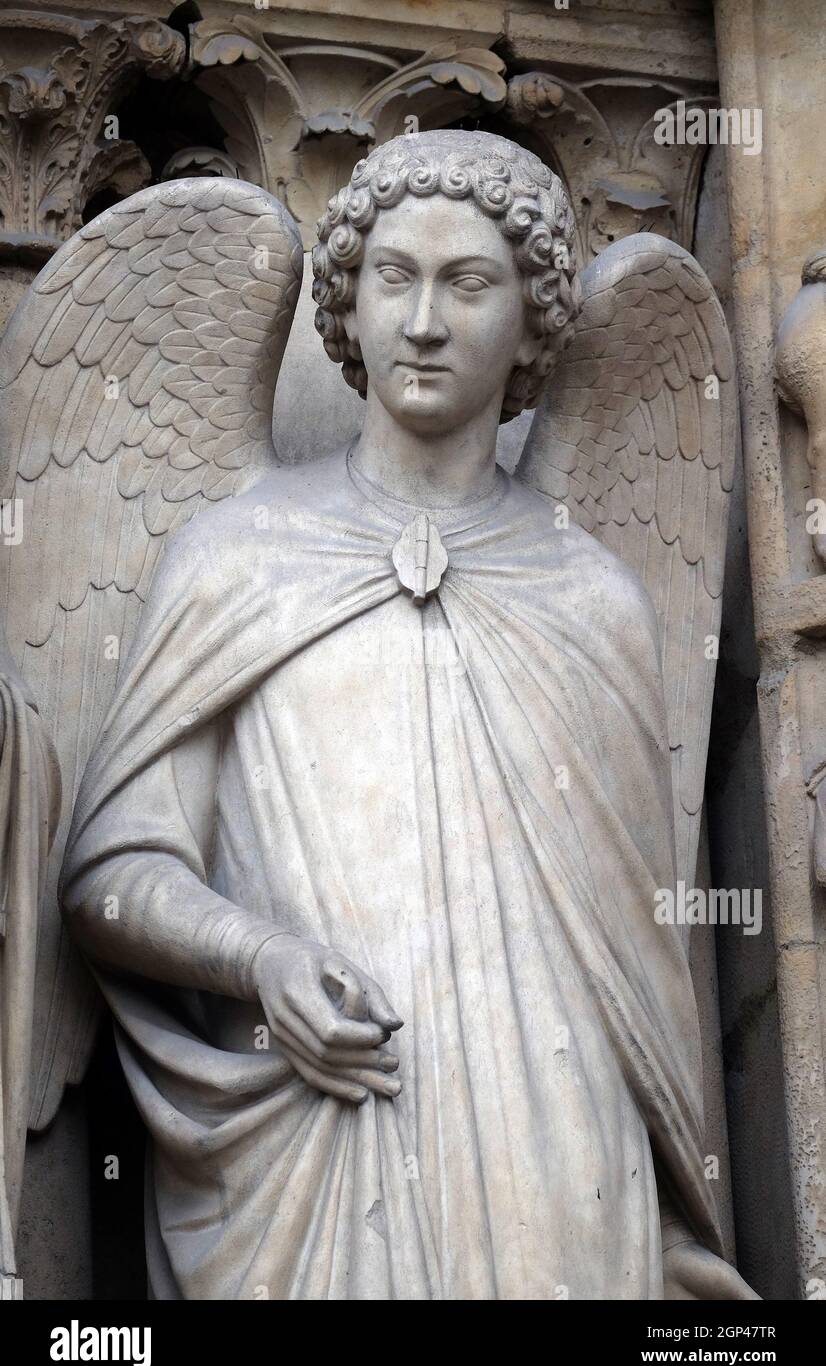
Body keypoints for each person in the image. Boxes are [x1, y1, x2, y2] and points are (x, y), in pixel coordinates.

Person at [61, 130, 756, 1300]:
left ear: (535, 318)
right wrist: (261, 957)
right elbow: (113, 872)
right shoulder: (236, 555)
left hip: (558, 1154)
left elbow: (641, 964)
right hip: (310, 1132)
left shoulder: (598, 600)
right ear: (347, 300)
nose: (423, 321)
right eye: (394, 276)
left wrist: (676, 1218)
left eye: (467, 282)